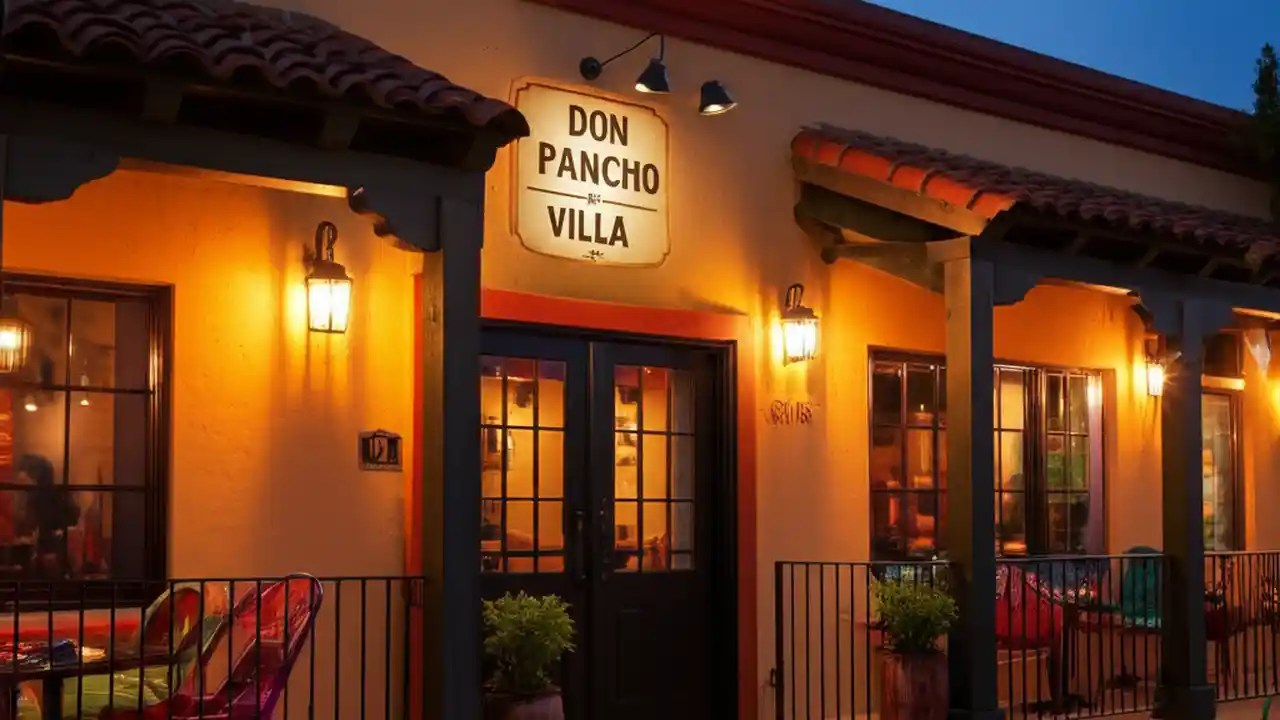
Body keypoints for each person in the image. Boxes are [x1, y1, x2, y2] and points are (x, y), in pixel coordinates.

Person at [14, 453, 79, 577]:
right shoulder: (33, 499)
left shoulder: (47, 500)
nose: (19, 477)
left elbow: (58, 530)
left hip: (50, 565)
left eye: (23, 471)